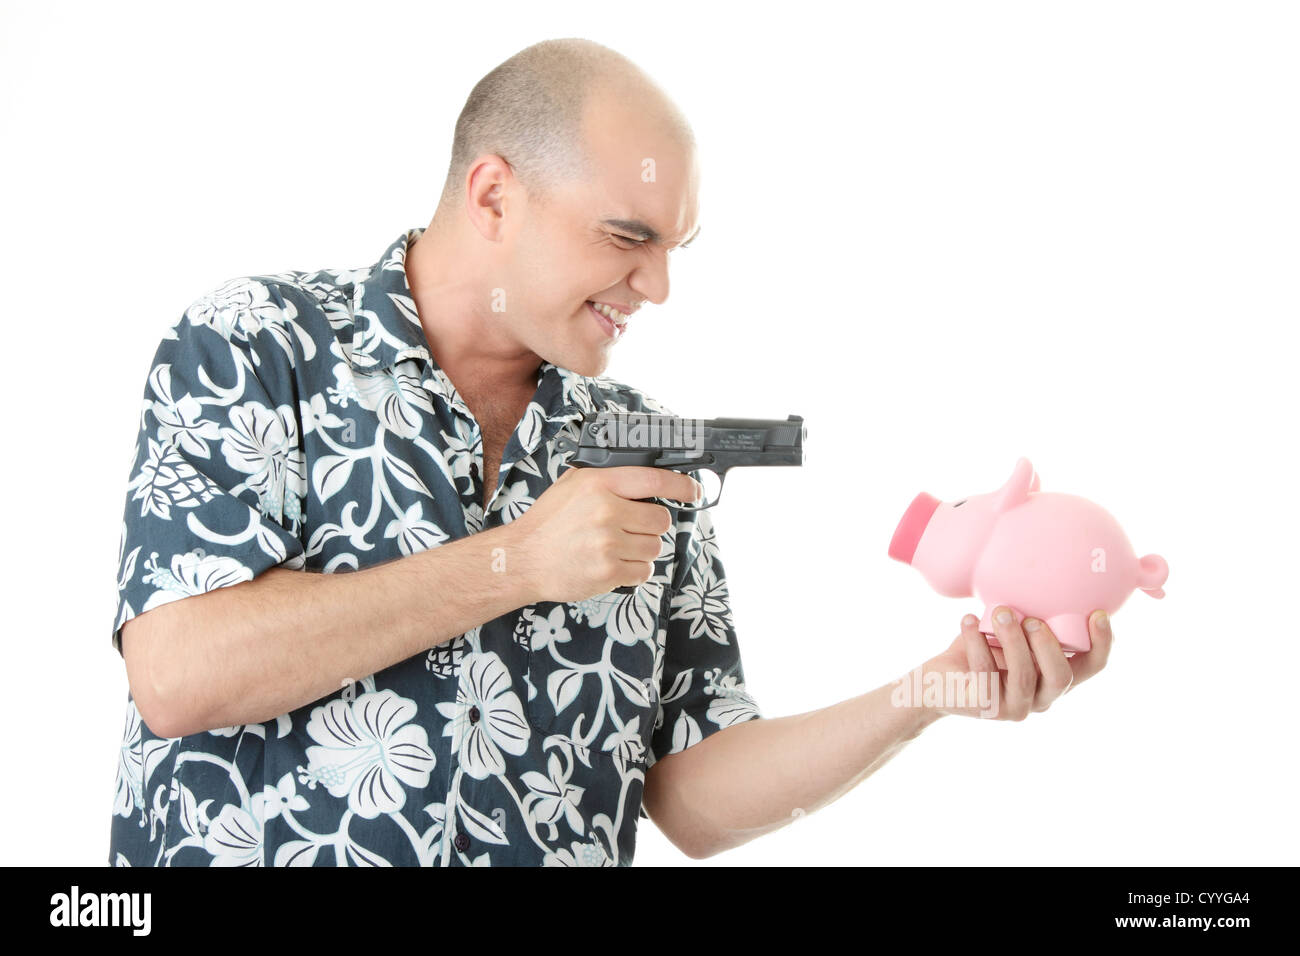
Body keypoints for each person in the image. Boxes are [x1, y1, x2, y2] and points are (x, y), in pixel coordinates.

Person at [108, 37, 1113, 867]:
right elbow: (181, 671)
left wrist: (925, 693)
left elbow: (693, 797)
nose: (659, 287)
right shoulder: (253, 341)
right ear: (493, 195)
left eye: (677, 245)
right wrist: (519, 562)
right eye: (628, 236)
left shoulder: (642, 437)